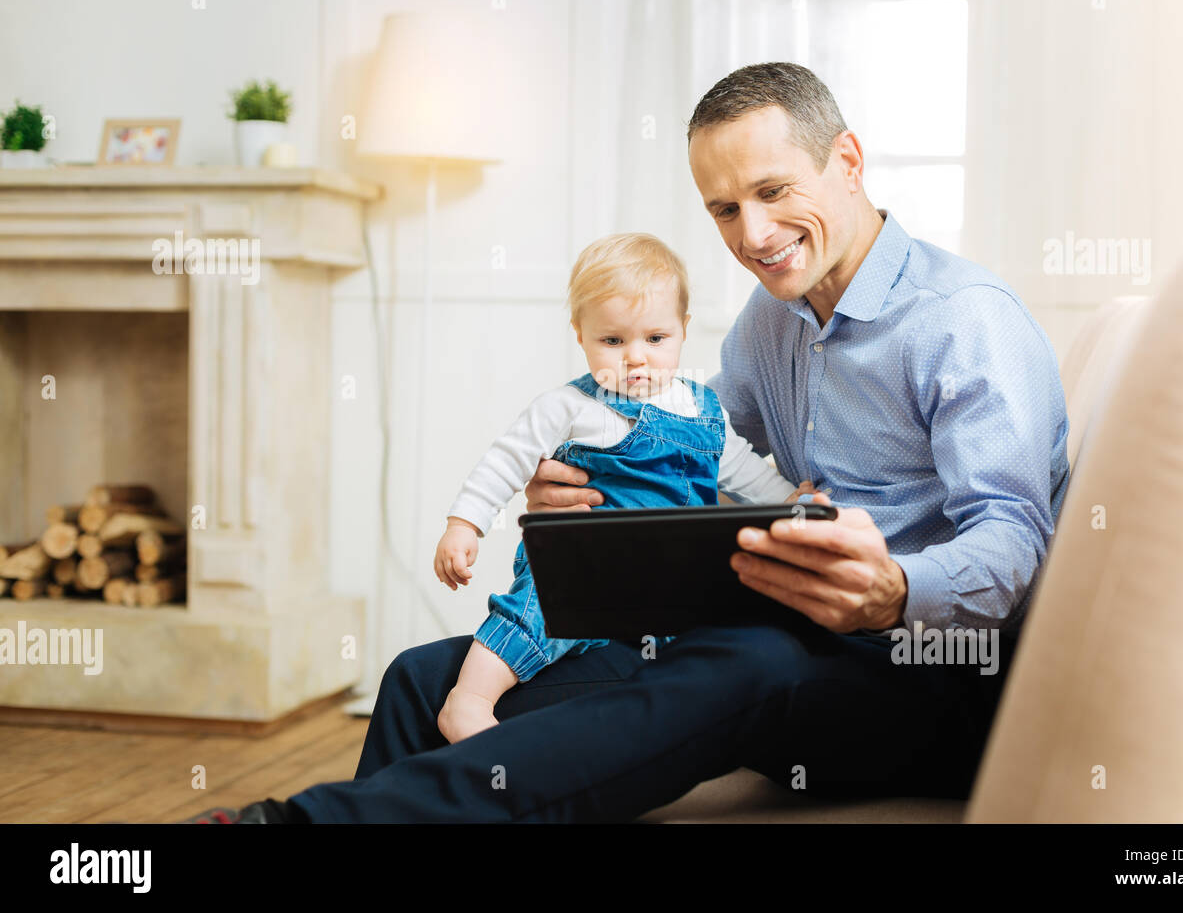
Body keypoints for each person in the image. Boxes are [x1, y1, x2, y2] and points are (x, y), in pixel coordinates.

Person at [186, 61, 1068, 824]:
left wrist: (893, 590)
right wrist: (579, 486)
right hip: (785, 639)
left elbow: (1013, 542)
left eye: (772, 193)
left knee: (752, 655)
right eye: (724, 208)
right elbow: (688, 451)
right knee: (425, 677)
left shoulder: (964, 321)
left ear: (847, 162)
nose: (751, 236)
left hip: (933, 676)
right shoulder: (771, 324)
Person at [432, 232, 815, 744]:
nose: (635, 358)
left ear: (682, 330)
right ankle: (469, 700)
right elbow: (505, 461)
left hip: (678, 575)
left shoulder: (705, 410)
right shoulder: (568, 407)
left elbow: (745, 473)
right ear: (580, 335)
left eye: (655, 339)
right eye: (612, 341)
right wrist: (465, 524)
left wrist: (793, 502)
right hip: (586, 566)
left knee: (732, 617)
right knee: (535, 611)